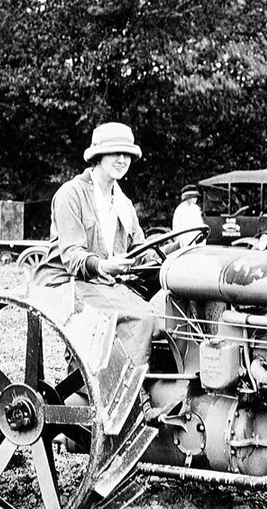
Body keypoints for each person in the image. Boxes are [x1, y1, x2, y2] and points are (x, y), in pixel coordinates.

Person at [33, 122, 153, 367]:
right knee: (141, 318)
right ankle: (116, 394)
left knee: (164, 313)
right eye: (115, 153)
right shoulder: (71, 194)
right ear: (98, 156)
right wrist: (105, 266)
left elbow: (141, 250)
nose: (122, 159)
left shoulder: (124, 203)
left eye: (127, 154)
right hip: (66, 282)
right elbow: (73, 256)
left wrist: (170, 257)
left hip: (103, 282)